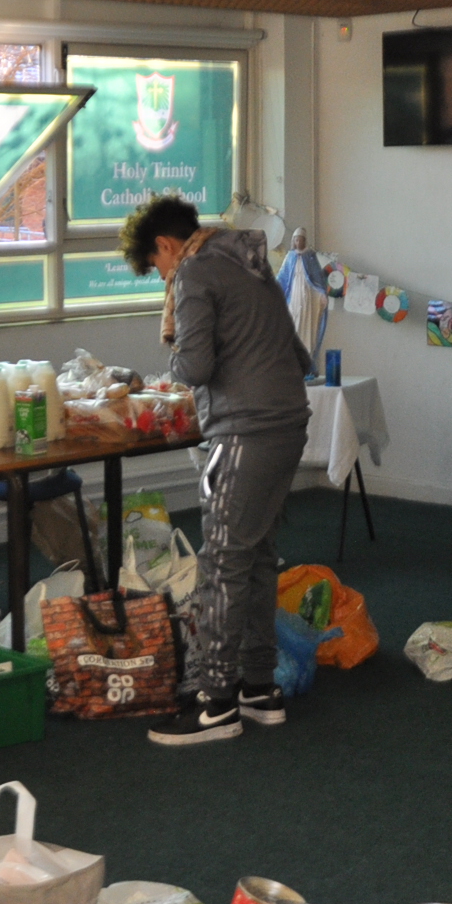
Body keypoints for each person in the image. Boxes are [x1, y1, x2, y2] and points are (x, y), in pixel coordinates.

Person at [121, 196, 312, 747]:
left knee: (222, 562)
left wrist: (170, 364)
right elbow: (296, 354)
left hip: (246, 430)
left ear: (165, 245)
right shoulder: (246, 261)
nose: (161, 276)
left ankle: (215, 702)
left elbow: (197, 365)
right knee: (254, 557)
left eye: (155, 266)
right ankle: (258, 687)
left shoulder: (195, 271)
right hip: (285, 421)